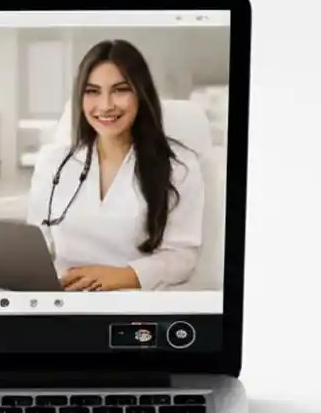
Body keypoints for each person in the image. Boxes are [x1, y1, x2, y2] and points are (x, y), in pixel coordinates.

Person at [26, 39, 205, 291]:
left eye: (120, 90)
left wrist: (125, 276)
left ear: (141, 94)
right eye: (93, 91)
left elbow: (183, 256)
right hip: (62, 297)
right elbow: (38, 242)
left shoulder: (179, 166)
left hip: (131, 300)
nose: (106, 105)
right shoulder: (53, 161)